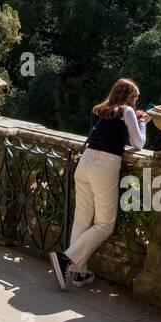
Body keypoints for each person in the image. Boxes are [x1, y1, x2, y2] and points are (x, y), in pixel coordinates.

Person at [48, 78, 150, 290]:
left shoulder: (98, 109)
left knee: (82, 220)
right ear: (129, 97)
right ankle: (66, 259)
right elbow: (138, 144)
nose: (135, 102)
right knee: (104, 225)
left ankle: (79, 273)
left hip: (85, 163)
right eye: (135, 98)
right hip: (105, 165)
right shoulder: (127, 112)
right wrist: (142, 122)